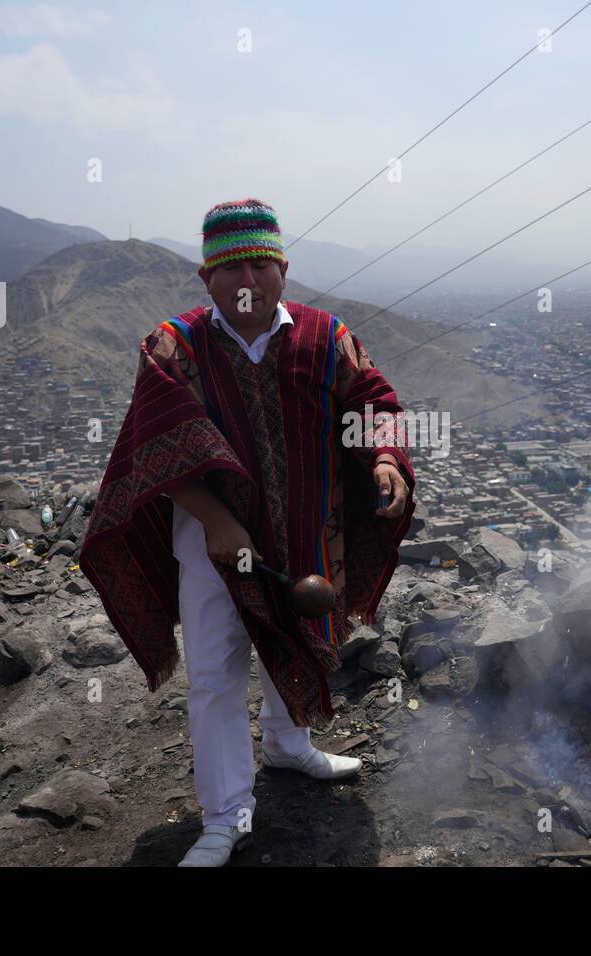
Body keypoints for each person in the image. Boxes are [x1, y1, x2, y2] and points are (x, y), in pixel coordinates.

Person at [80, 198, 415, 866]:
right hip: (210, 543)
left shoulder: (327, 336)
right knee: (214, 673)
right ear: (206, 278)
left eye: (260, 264)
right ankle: (225, 816)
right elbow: (155, 450)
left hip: (307, 536)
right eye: (231, 266)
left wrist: (384, 456)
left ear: (284, 269)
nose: (248, 280)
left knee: (298, 637)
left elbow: (373, 401)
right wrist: (217, 520)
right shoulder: (174, 345)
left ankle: (290, 750)